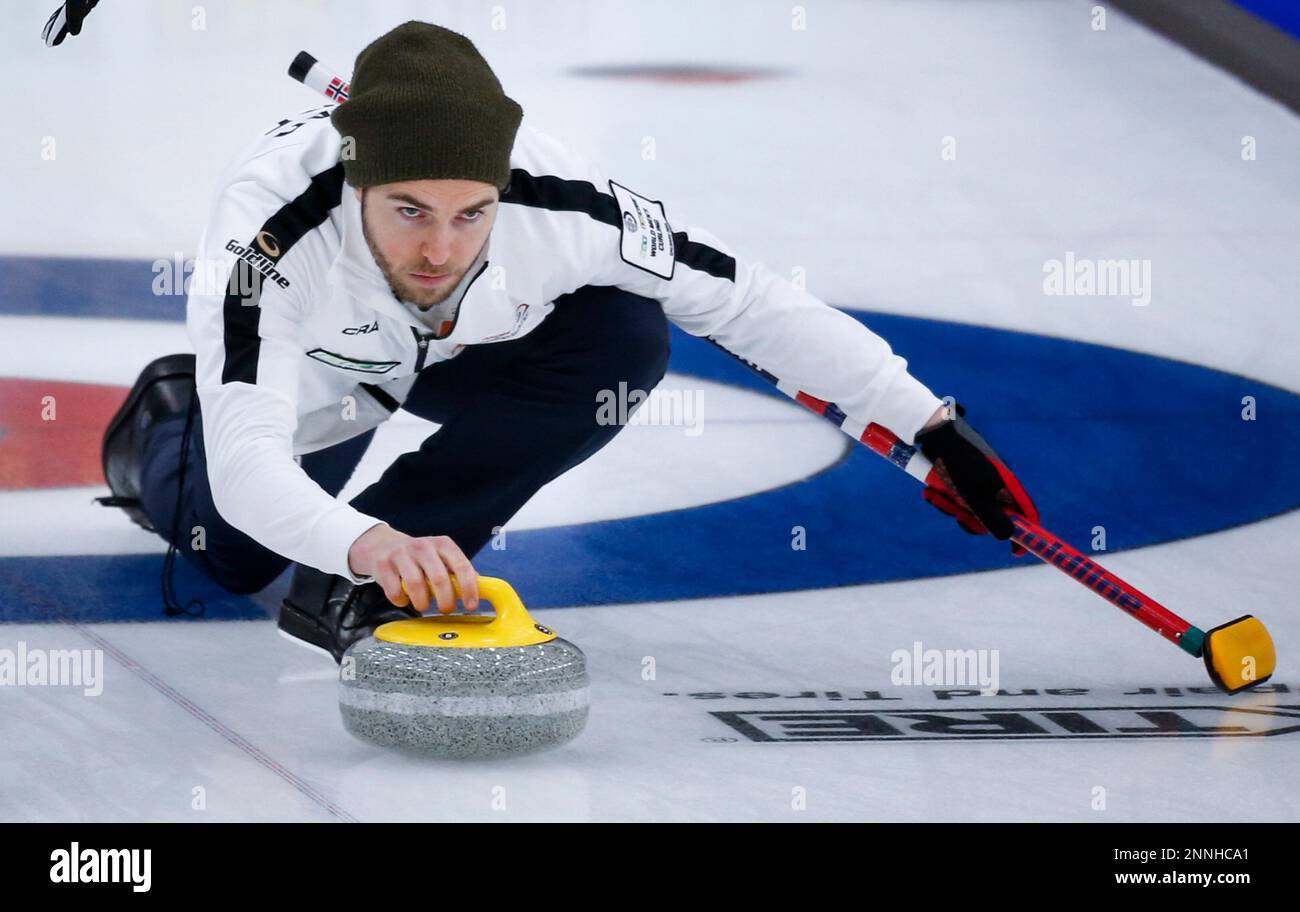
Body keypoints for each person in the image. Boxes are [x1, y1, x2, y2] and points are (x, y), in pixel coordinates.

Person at [99, 21, 1037, 663]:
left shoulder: (568, 205)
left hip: (484, 346)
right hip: (334, 364)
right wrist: (359, 537)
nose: (439, 248)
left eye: (472, 214)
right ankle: (167, 417)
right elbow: (255, 462)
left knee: (624, 337)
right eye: (409, 210)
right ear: (355, 185)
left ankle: (385, 571)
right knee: (233, 547)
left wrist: (930, 424)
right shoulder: (268, 233)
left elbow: (746, 302)